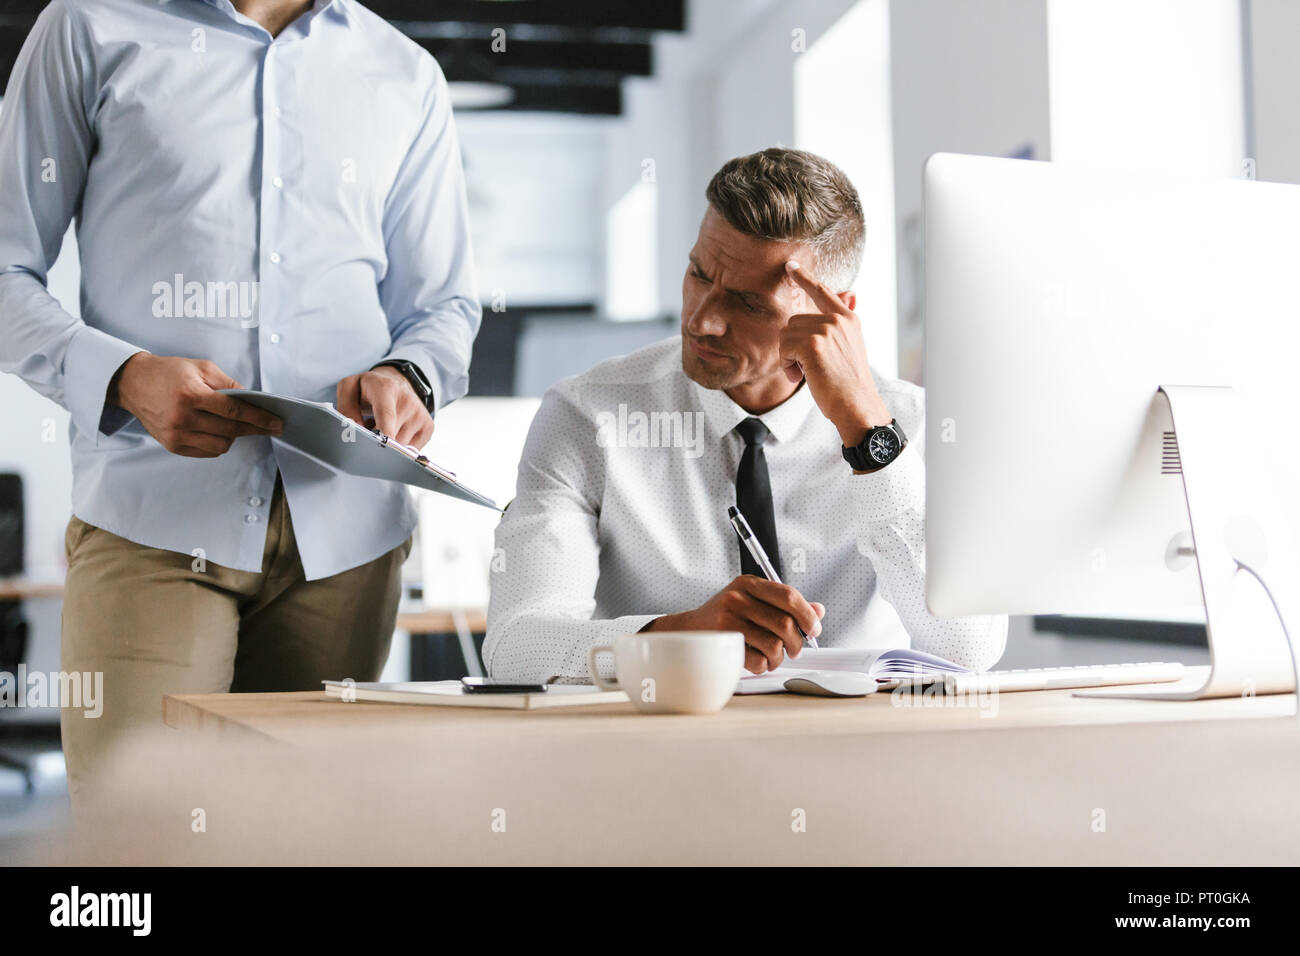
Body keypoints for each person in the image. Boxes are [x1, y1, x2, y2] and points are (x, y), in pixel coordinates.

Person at [0, 0, 479, 798]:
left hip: (347, 534)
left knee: (307, 843)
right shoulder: (88, 26)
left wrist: (411, 376)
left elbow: (444, 306)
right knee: (139, 844)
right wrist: (122, 377)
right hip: (151, 517)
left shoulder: (405, 73)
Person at [484, 147, 1006, 682]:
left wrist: (868, 433)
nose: (704, 320)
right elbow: (516, 646)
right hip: (657, 751)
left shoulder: (914, 426)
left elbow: (968, 646)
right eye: (698, 273)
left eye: (750, 304)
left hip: (858, 749)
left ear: (833, 315)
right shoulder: (588, 416)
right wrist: (678, 637)